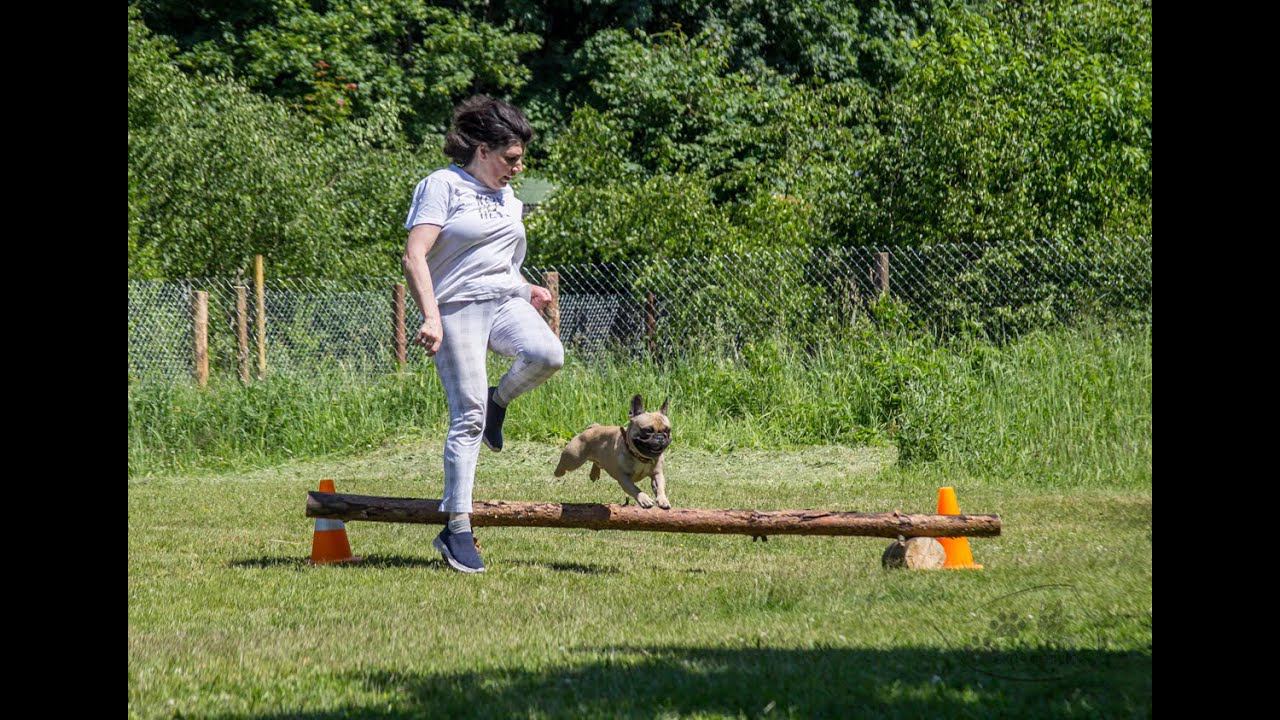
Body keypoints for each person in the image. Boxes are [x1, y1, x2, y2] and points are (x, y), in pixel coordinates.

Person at [402, 95, 563, 574]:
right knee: (467, 418)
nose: (518, 168)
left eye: (520, 160)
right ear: (482, 150)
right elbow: (415, 256)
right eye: (511, 159)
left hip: (504, 302)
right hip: (456, 311)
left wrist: (525, 286)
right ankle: (456, 529)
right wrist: (430, 316)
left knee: (547, 355)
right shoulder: (442, 185)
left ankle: (501, 401)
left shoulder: (508, 196)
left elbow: (497, 261)